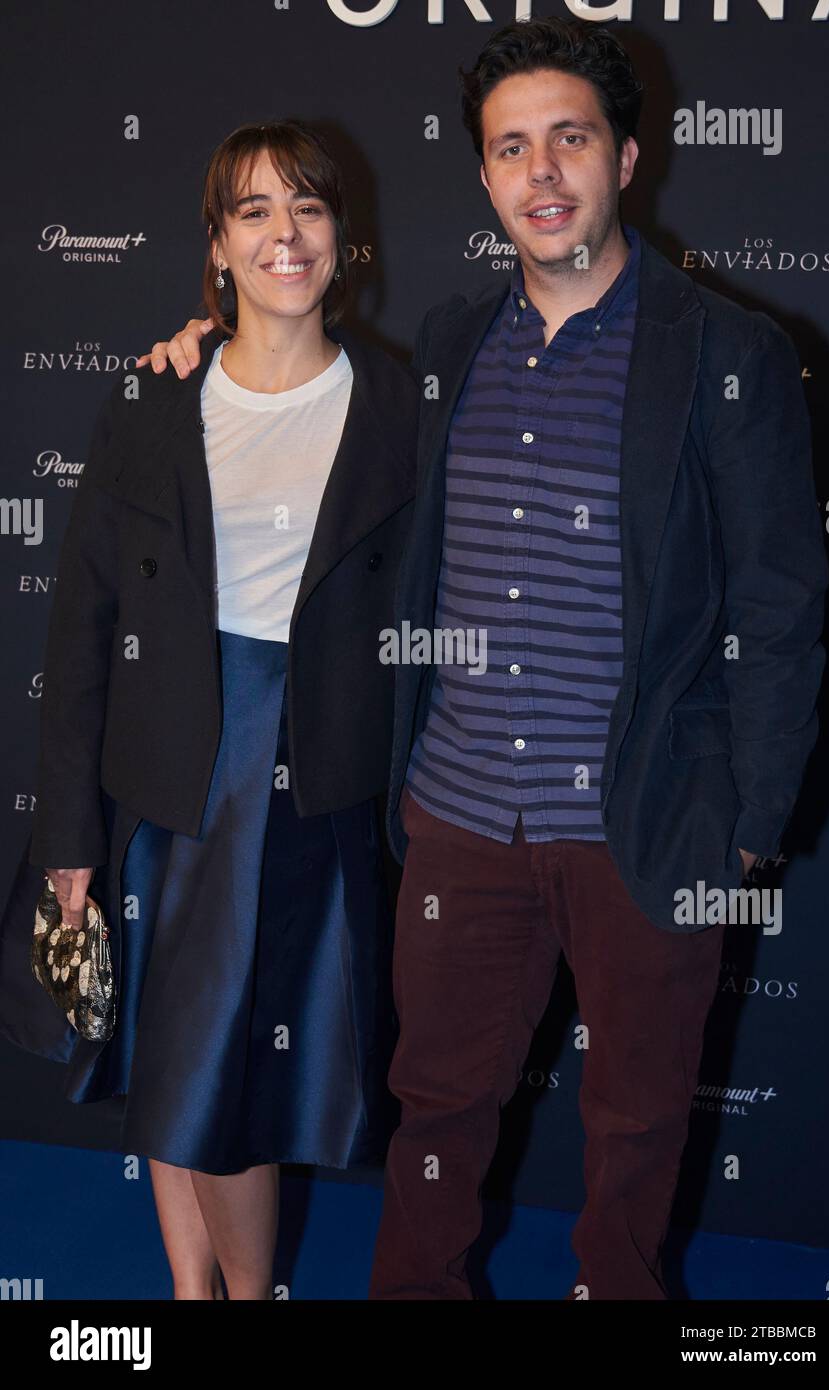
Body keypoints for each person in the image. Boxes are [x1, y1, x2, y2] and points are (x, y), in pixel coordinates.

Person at [136, 17, 828, 1301]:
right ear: (485, 179)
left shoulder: (725, 353)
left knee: (634, 1135)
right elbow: (286, 381)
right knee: (434, 1125)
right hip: (454, 820)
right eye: (512, 148)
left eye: (568, 138)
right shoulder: (445, 352)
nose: (542, 172)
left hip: (643, 827)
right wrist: (192, 354)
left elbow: (782, 611)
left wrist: (741, 834)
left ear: (625, 156)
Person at [0, 119, 417, 1300]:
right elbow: (78, 626)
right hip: (154, 781)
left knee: (221, 1085)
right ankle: (194, 1290)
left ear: (345, 236)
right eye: (252, 211)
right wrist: (69, 842)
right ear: (218, 247)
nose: (284, 234)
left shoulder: (399, 406)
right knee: (162, 1055)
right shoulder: (152, 393)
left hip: (298, 788)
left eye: (308, 208)